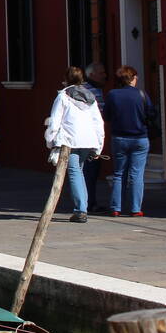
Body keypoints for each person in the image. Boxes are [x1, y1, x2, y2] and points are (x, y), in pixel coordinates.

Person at [44, 67, 105, 223]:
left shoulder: (63, 96)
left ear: (66, 79)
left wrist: (50, 141)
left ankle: (80, 210)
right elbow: (98, 122)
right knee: (79, 171)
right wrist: (99, 145)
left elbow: (55, 121)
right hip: (88, 140)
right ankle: (82, 207)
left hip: (69, 140)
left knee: (74, 172)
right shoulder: (91, 97)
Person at [104, 65, 154, 218]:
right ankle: (135, 208)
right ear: (132, 78)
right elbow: (152, 114)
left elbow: (106, 116)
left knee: (119, 173)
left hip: (119, 137)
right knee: (136, 174)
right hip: (140, 138)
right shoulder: (141, 94)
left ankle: (116, 207)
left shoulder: (112, 95)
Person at [82, 62, 108, 212]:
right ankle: (88, 202)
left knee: (91, 172)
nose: (104, 75)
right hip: (90, 138)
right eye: (101, 73)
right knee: (90, 171)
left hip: (91, 138)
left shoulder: (94, 89)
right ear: (91, 74)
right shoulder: (90, 91)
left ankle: (89, 201)